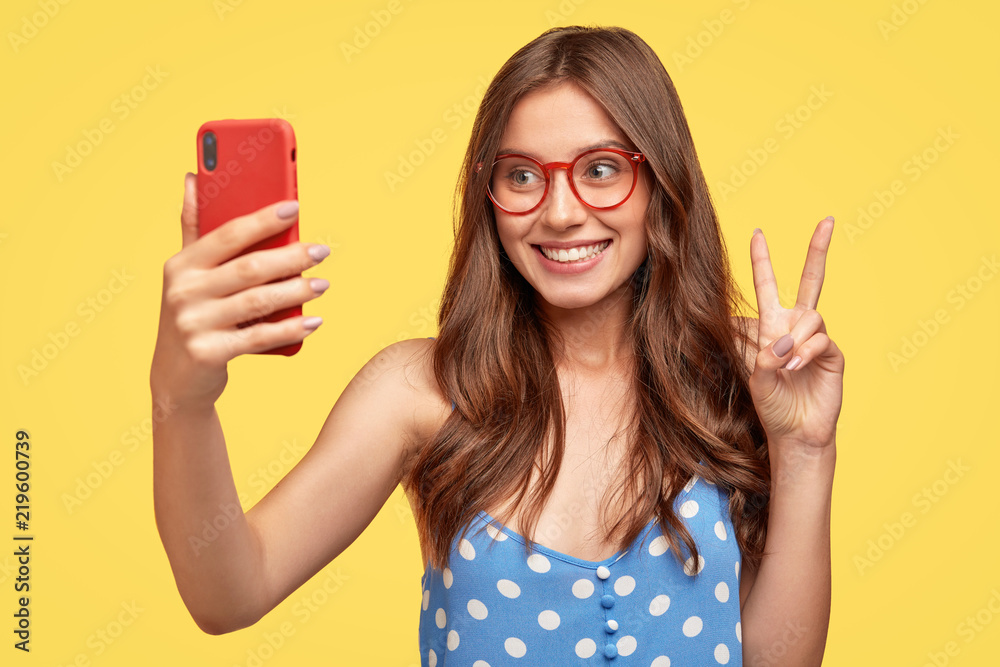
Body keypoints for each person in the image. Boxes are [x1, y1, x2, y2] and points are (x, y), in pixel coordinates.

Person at [151, 25, 842, 666]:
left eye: (601, 169)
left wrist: (806, 452)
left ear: (660, 183)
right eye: (522, 176)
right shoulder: (419, 391)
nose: (561, 212)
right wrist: (182, 398)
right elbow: (229, 594)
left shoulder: (738, 379)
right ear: (488, 193)